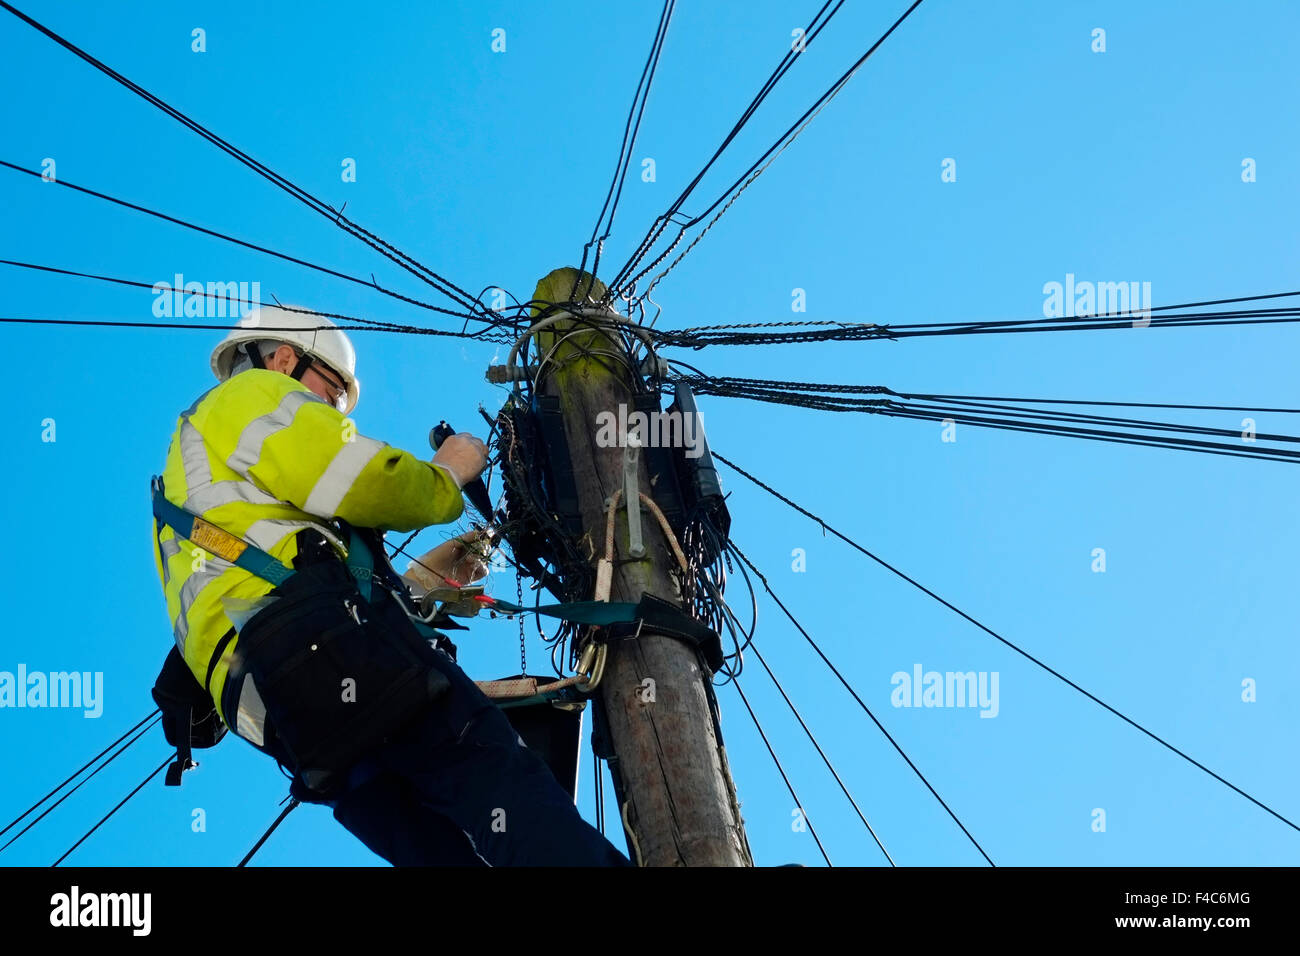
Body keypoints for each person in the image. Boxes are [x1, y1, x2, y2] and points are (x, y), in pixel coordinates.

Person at [150, 305, 631, 866]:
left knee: (442, 855)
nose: (327, 408)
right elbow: (355, 476)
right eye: (329, 394)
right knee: (499, 782)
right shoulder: (249, 393)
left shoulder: (189, 485)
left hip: (285, 714)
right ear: (283, 358)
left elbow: (286, 567)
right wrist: (448, 472)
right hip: (330, 653)